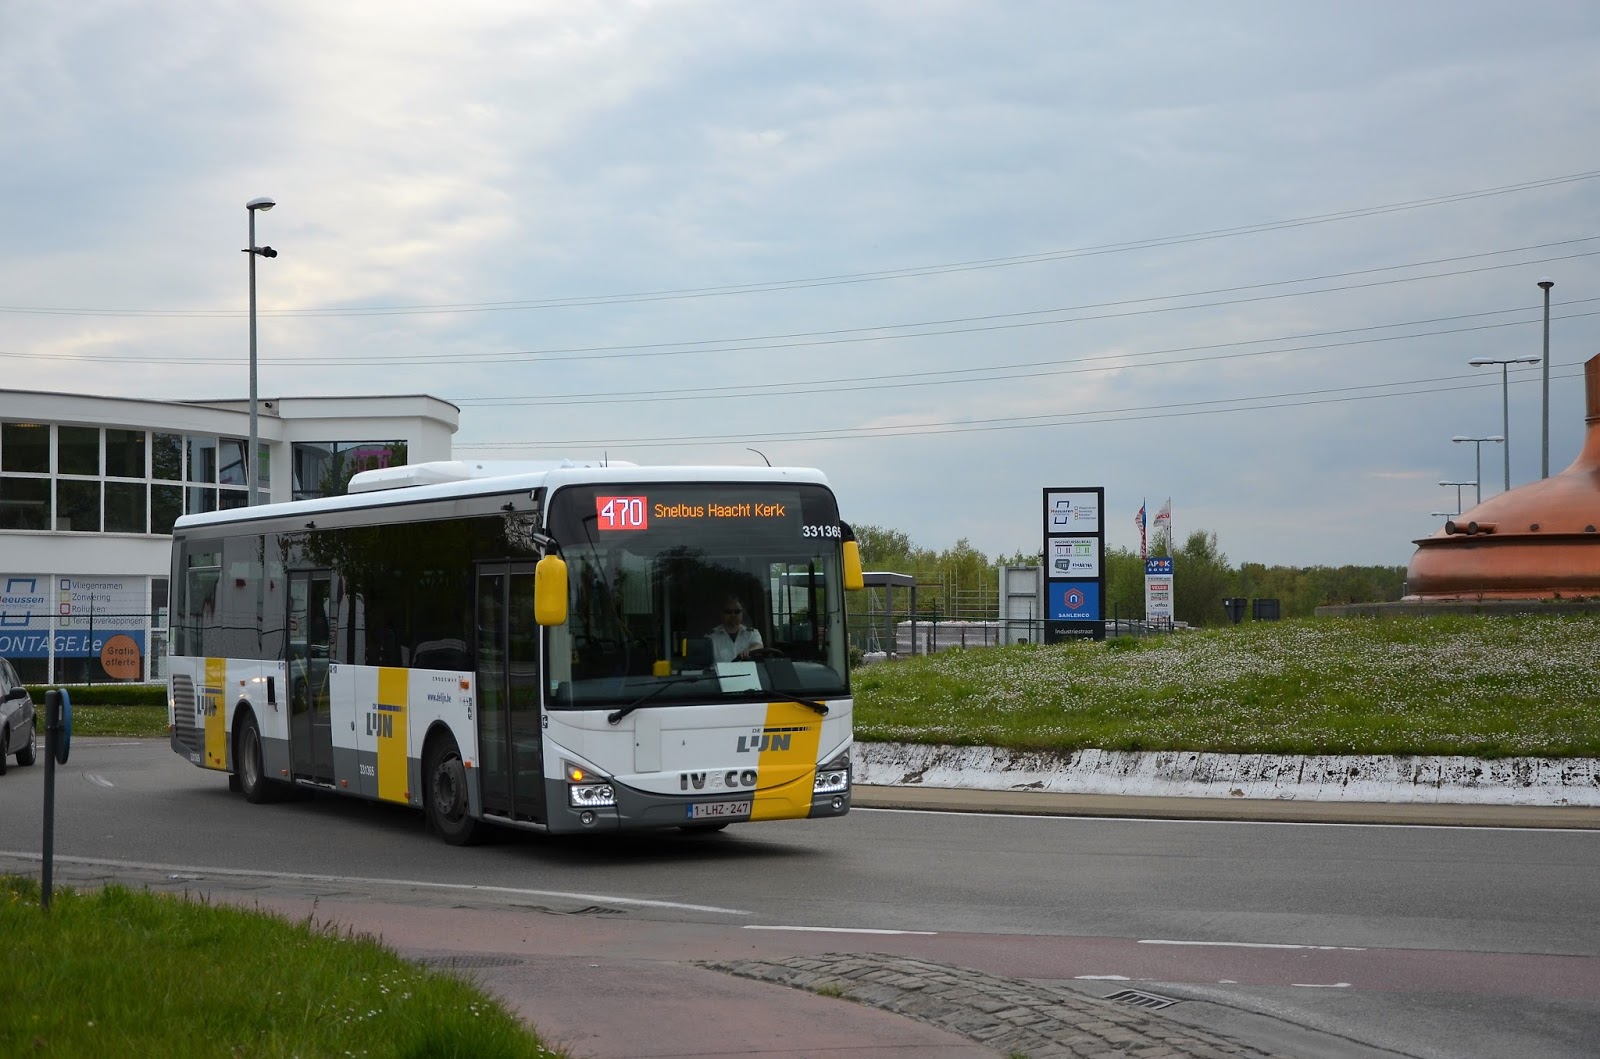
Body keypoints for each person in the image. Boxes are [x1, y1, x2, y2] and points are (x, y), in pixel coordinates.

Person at [708, 596, 763, 662]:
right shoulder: (711, 637)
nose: (733, 615)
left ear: (742, 613)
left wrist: (749, 651)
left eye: (737, 611)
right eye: (728, 612)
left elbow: (758, 646)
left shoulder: (752, 633)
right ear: (722, 614)